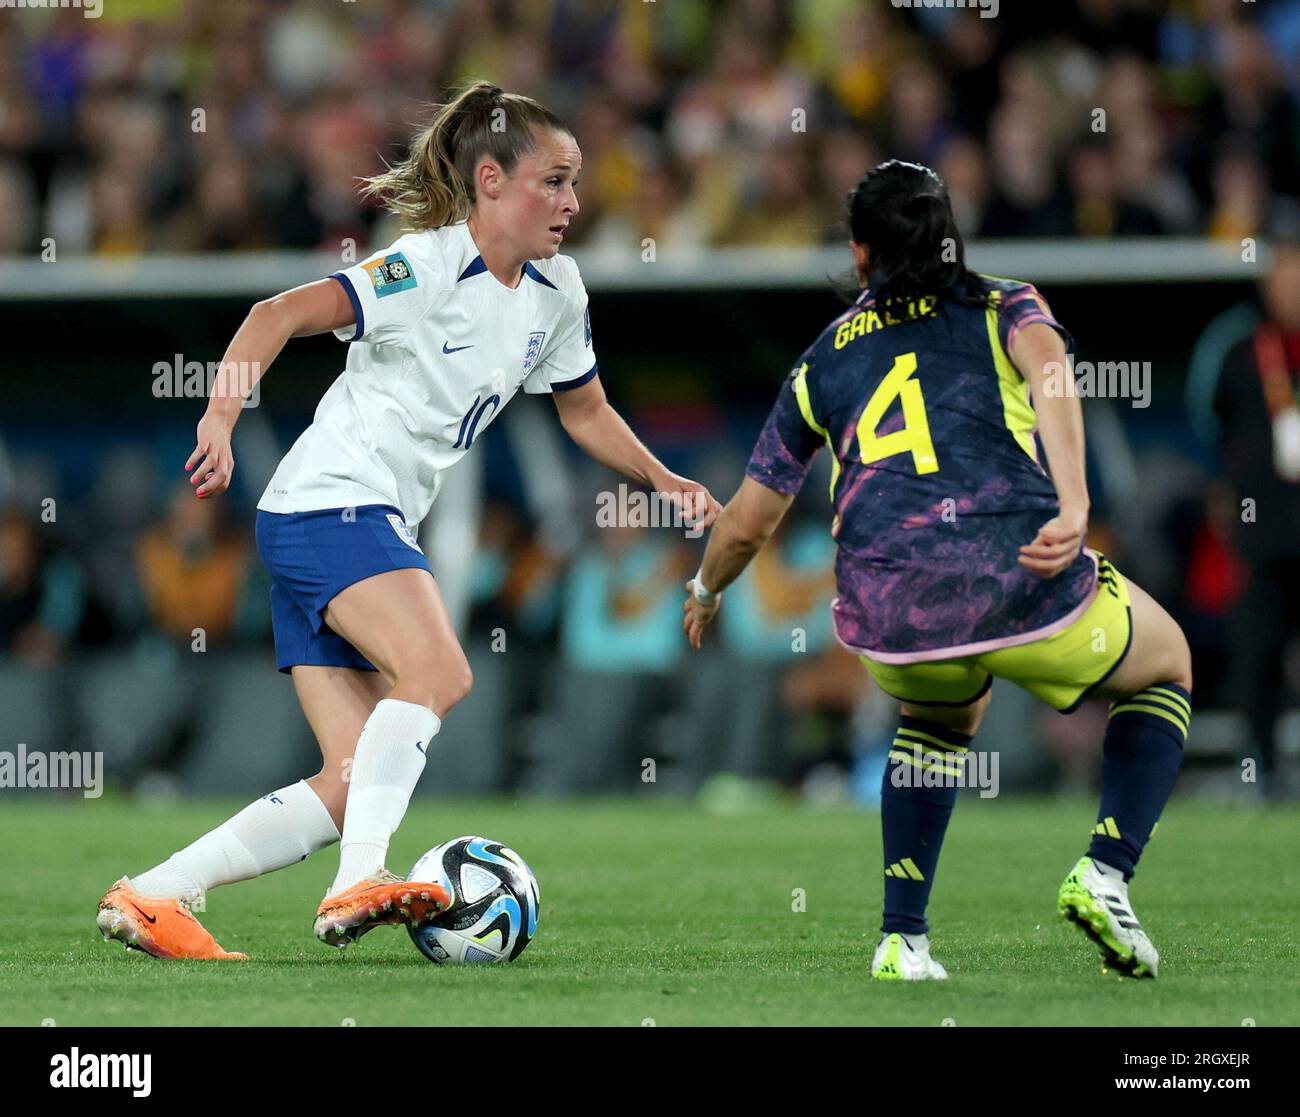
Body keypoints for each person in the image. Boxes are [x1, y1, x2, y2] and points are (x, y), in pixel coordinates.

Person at [96, 82, 720, 961]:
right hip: (332, 503)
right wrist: (221, 416)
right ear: (493, 180)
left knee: (351, 782)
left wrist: (662, 477)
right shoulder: (424, 265)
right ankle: (359, 882)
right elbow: (276, 314)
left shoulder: (558, 291)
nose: (574, 202)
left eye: (577, 184)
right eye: (556, 181)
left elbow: (584, 411)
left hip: (334, 523)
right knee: (438, 668)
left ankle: (154, 892)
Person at [682, 160, 1192, 980]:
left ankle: (902, 938)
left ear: (859, 254)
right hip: (1015, 574)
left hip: (887, 611)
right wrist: (1074, 502)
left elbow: (749, 518)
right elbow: (1054, 373)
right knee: (1167, 661)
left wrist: (706, 588)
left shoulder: (824, 357)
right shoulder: (1005, 303)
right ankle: (1105, 870)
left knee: (939, 721)